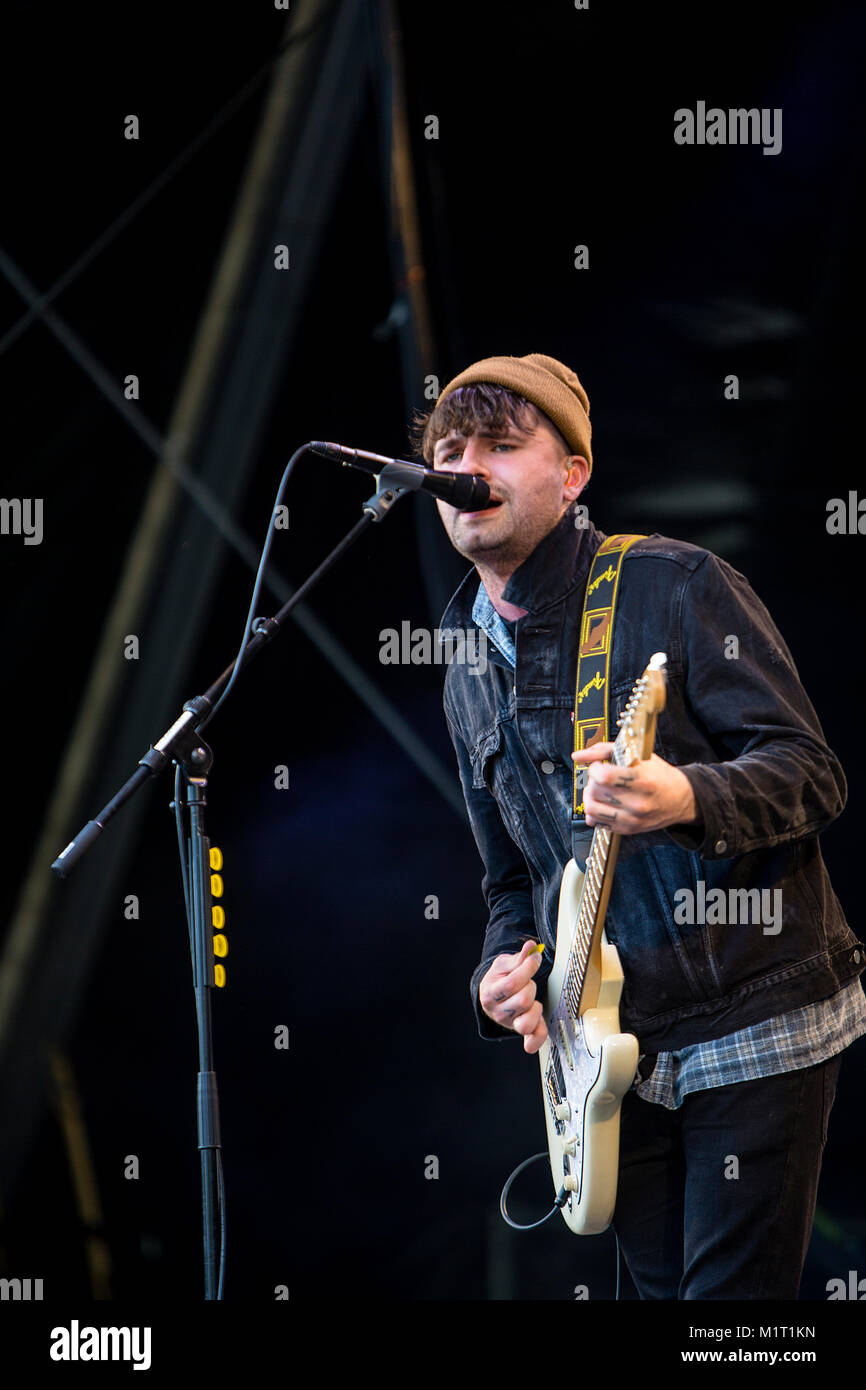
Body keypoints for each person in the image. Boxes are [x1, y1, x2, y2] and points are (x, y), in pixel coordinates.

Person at [411, 352, 866, 1301]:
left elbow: (813, 775)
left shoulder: (675, 584)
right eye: (450, 450)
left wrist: (689, 798)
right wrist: (504, 971)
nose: (468, 468)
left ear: (572, 472)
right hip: (612, 1053)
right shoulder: (464, 666)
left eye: (501, 444)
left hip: (755, 1015)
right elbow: (510, 881)